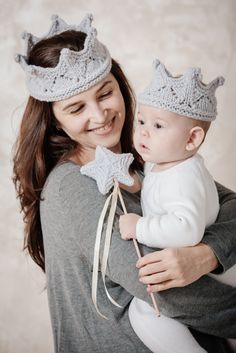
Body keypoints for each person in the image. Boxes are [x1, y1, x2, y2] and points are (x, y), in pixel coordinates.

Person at [13, 14, 236, 353]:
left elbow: (230, 206)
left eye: (106, 93)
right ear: (54, 121)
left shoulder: (152, 160)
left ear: (120, 85)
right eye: (76, 108)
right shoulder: (70, 186)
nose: (100, 115)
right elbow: (164, 291)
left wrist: (206, 254)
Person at [119, 59, 236, 352]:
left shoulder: (185, 175)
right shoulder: (165, 164)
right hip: (205, 269)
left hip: (219, 273)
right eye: (142, 121)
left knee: (146, 313)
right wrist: (137, 185)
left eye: (158, 125)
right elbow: (159, 194)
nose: (143, 132)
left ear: (192, 139)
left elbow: (186, 229)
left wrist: (140, 226)